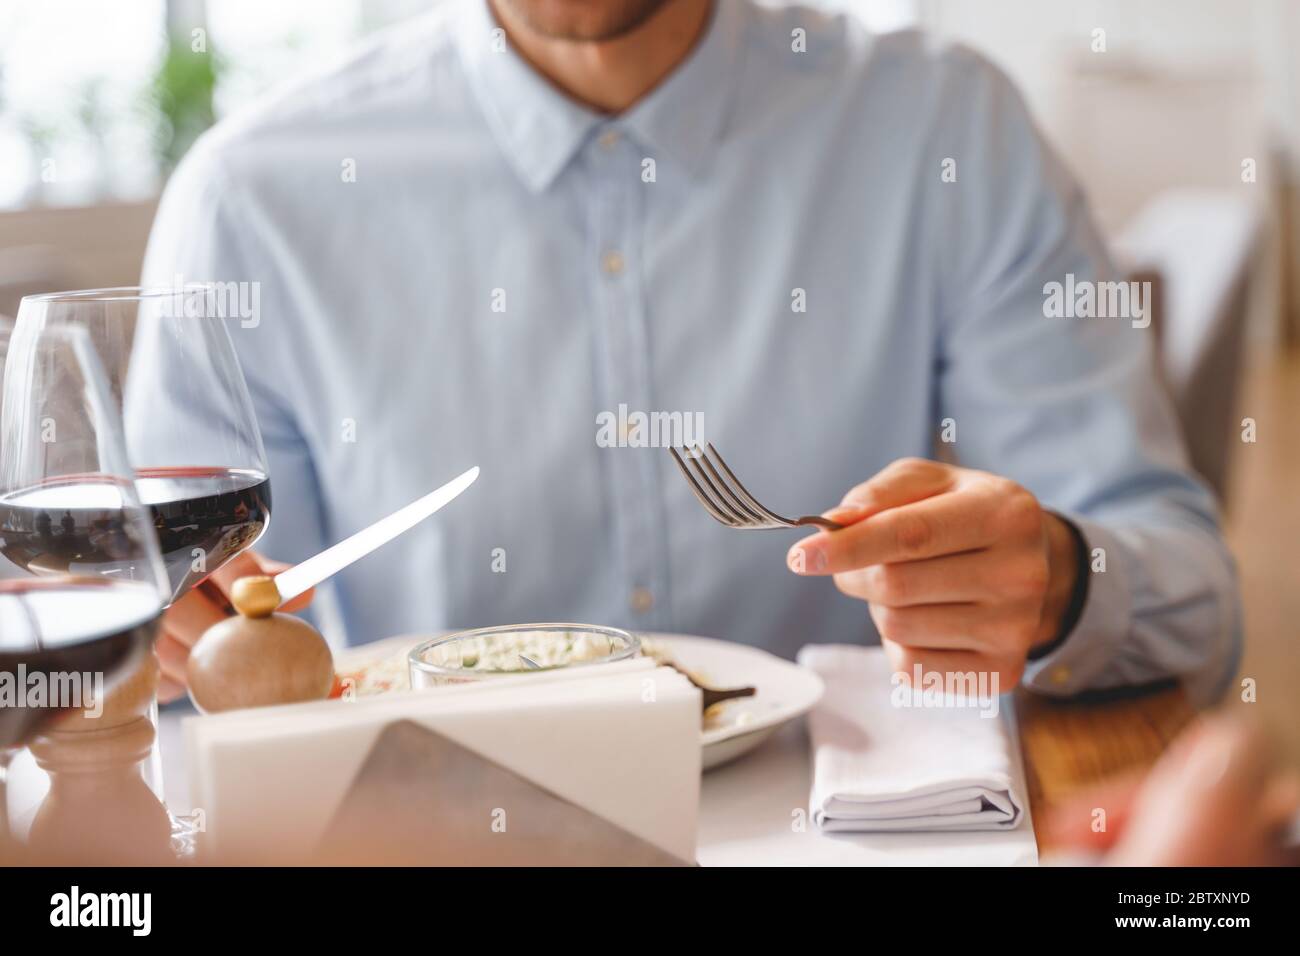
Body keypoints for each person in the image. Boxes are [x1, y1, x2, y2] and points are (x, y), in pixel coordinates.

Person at [143, 0, 1240, 706]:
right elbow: (159, 634)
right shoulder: (253, 200)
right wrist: (163, 637)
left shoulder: (947, 130)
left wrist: (1056, 577)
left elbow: (1194, 593)